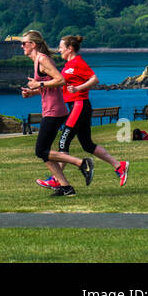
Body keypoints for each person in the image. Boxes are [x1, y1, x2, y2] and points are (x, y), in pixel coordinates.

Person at [44, 35, 129, 192]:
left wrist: (78, 88)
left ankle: (56, 179)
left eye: (61, 46)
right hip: (76, 106)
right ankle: (119, 166)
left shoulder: (78, 62)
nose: (59, 49)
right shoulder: (68, 65)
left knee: (64, 142)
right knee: (87, 144)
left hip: (79, 105)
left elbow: (95, 79)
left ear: (70, 48)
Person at [19, 31, 70, 194]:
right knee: (43, 151)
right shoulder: (37, 61)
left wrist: (38, 86)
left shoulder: (42, 59)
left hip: (55, 110)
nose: (22, 46)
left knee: (41, 150)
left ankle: (80, 163)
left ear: (33, 45)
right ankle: (65, 187)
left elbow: (61, 80)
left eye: (24, 43)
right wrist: (32, 91)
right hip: (52, 109)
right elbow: (49, 85)